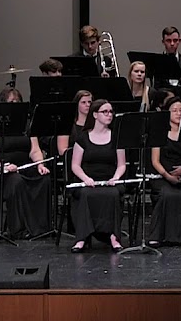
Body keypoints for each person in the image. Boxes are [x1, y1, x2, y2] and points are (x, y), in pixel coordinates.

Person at [0, 87, 52, 239]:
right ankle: (19, 229)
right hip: (3, 170)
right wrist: (3, 166)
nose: (15, 104)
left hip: (25, 166)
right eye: (11, 101)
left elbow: (34, 150)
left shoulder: (26, 124)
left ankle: (40, 227)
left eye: (18, 101)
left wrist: (40, 164)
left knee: (43, 178)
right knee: (16, 181)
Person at [69, 98, 125, 252]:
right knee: (86, 194)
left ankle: (114, 236)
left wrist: (116, 178)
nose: (109, 115)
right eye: (105, 112)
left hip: (110, 180)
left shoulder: (117, 137)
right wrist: (86, 179)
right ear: (95, 115)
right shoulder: (82, 138)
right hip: (87, 180)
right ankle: (82, 237)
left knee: (113, 194)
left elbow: (121, 164)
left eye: (111, 112)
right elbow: (75, 165)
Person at [146, 97, 181, 246]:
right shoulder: (159, 133)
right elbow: (155, 161)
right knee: (166, 194)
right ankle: (158, 235)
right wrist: (167, 176)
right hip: (162, 175)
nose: (178, 113)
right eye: (174, 110)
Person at [56, 89, 93, 155]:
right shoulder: (66, 125)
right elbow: (62, 150)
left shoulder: (96, 123)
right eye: (83, 102)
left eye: (89, 102)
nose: (87, 105)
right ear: (77, 104)